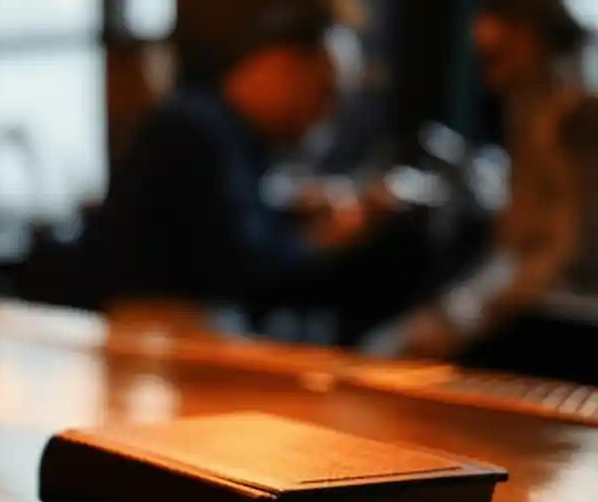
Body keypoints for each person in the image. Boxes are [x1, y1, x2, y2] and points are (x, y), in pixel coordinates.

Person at [85, 0, 343, 321]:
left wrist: (290, 215)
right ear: (282, 67)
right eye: (324, 92)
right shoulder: (194, 132)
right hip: (162, 342)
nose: (326, 114)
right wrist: (330, 236)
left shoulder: (219, 131)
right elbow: (238, 269)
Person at [377, 0, 598, 363]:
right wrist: (455, 313)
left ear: (528, 38)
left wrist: (466, 320)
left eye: (496, 56)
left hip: (567, 317)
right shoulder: (528, 109)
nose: (490, 78)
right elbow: (513, 243)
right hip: (528, 300)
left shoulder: (578, 117)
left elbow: (565, 254)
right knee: (392, 344)